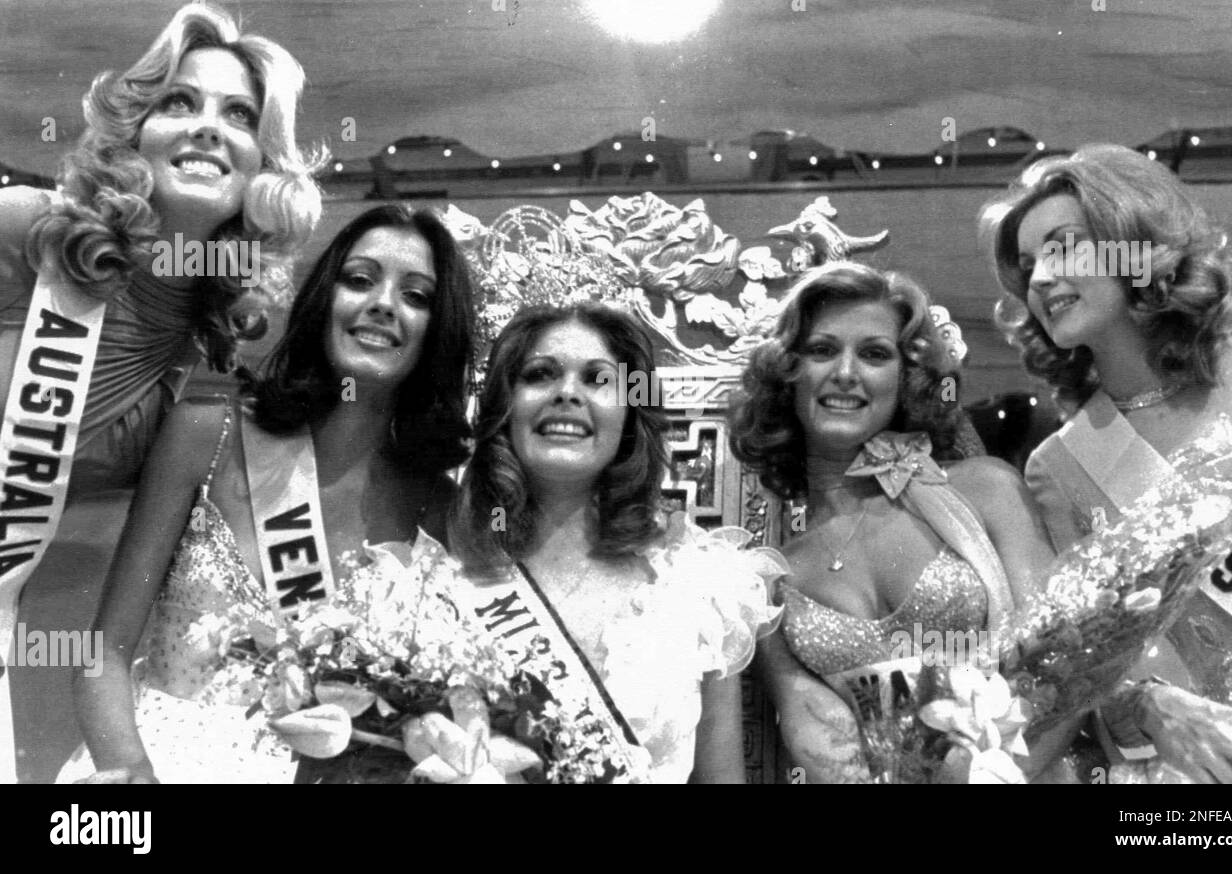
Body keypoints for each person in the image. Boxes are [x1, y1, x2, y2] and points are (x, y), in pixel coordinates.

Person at [0, 2, 322, 781]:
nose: (208, 127)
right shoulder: (26, 235)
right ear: (133, 133)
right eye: (180, 102)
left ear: (260, 166)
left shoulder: (220, 337)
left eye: (238, 115)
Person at [66, 204, 475, 783]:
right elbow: (101, 655)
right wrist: (132, 775)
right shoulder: (207, 434)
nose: (383, 303)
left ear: (439, 330)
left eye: (417, 295)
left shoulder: (438, 505)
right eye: (359, 280)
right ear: (322, 301)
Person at [980, 143, 1232, 783]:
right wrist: (1149, 705)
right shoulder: (1059, 467)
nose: (1041, 278)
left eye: (1064, 246)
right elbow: (1100, 664)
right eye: (1027, 264)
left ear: (1137, 247)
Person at [730, 261, 1071, 783]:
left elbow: (1065, 665)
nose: (846, 372)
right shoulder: (773, 580)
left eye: (873, 353)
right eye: (822, 350)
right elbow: (823, 749)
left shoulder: (985, 489)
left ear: (907, 376)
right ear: (787, 376)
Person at [445, 302, 782, 783]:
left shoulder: (702, 584)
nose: (567, 393)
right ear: (505, 405)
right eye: (540, 374)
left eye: (598, 380)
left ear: (630, 412)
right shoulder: (444, 582)